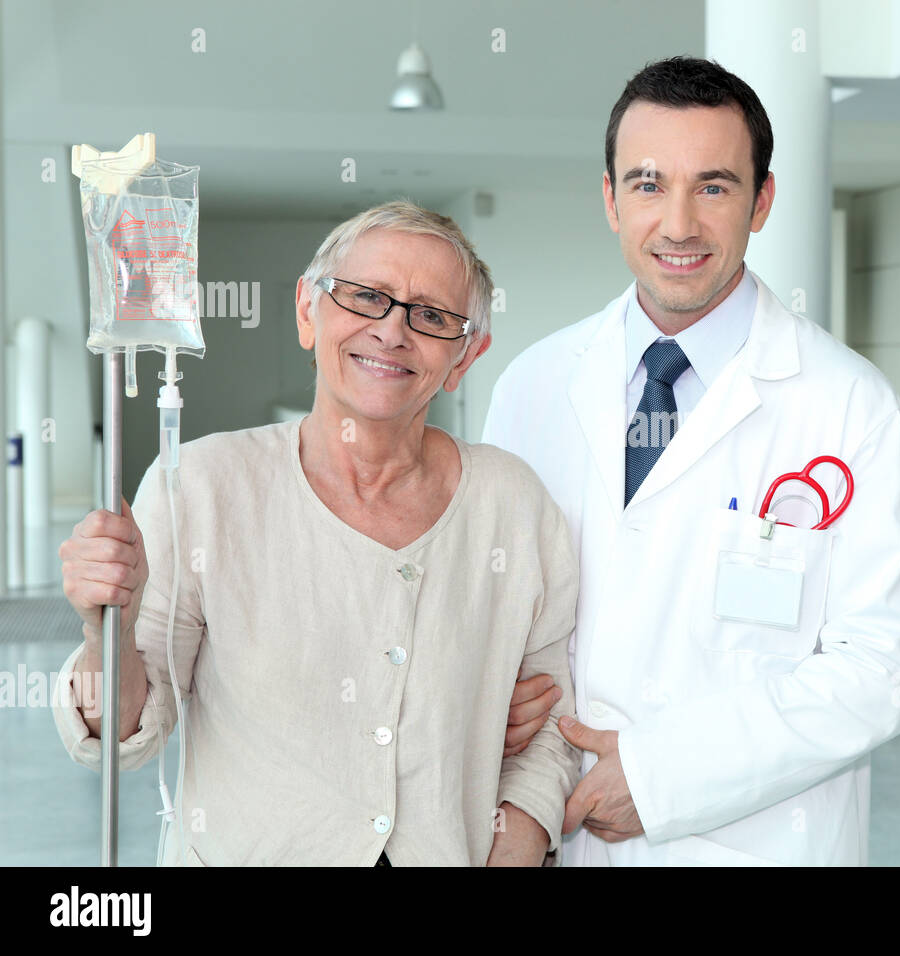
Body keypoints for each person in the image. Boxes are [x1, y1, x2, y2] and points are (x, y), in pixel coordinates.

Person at [482, 56, 900, 866]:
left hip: (750, 842)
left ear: (762, 200)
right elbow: (488, 601)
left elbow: (890, 666)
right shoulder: (533, 385)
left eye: (715, 186)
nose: (680, 224)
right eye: (649, 184)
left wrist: (666, 777)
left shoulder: (847, 406)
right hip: (552, 833)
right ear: (610, 198)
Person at [55, 200, 580, 866]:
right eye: (366, 296)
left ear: (465, 355)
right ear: (308, 310)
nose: (392, 332)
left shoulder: (514, 505)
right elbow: (121, 732)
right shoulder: (202, 487)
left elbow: (548, 738)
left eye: (433, 315)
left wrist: (515, 848)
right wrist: (111, 630)